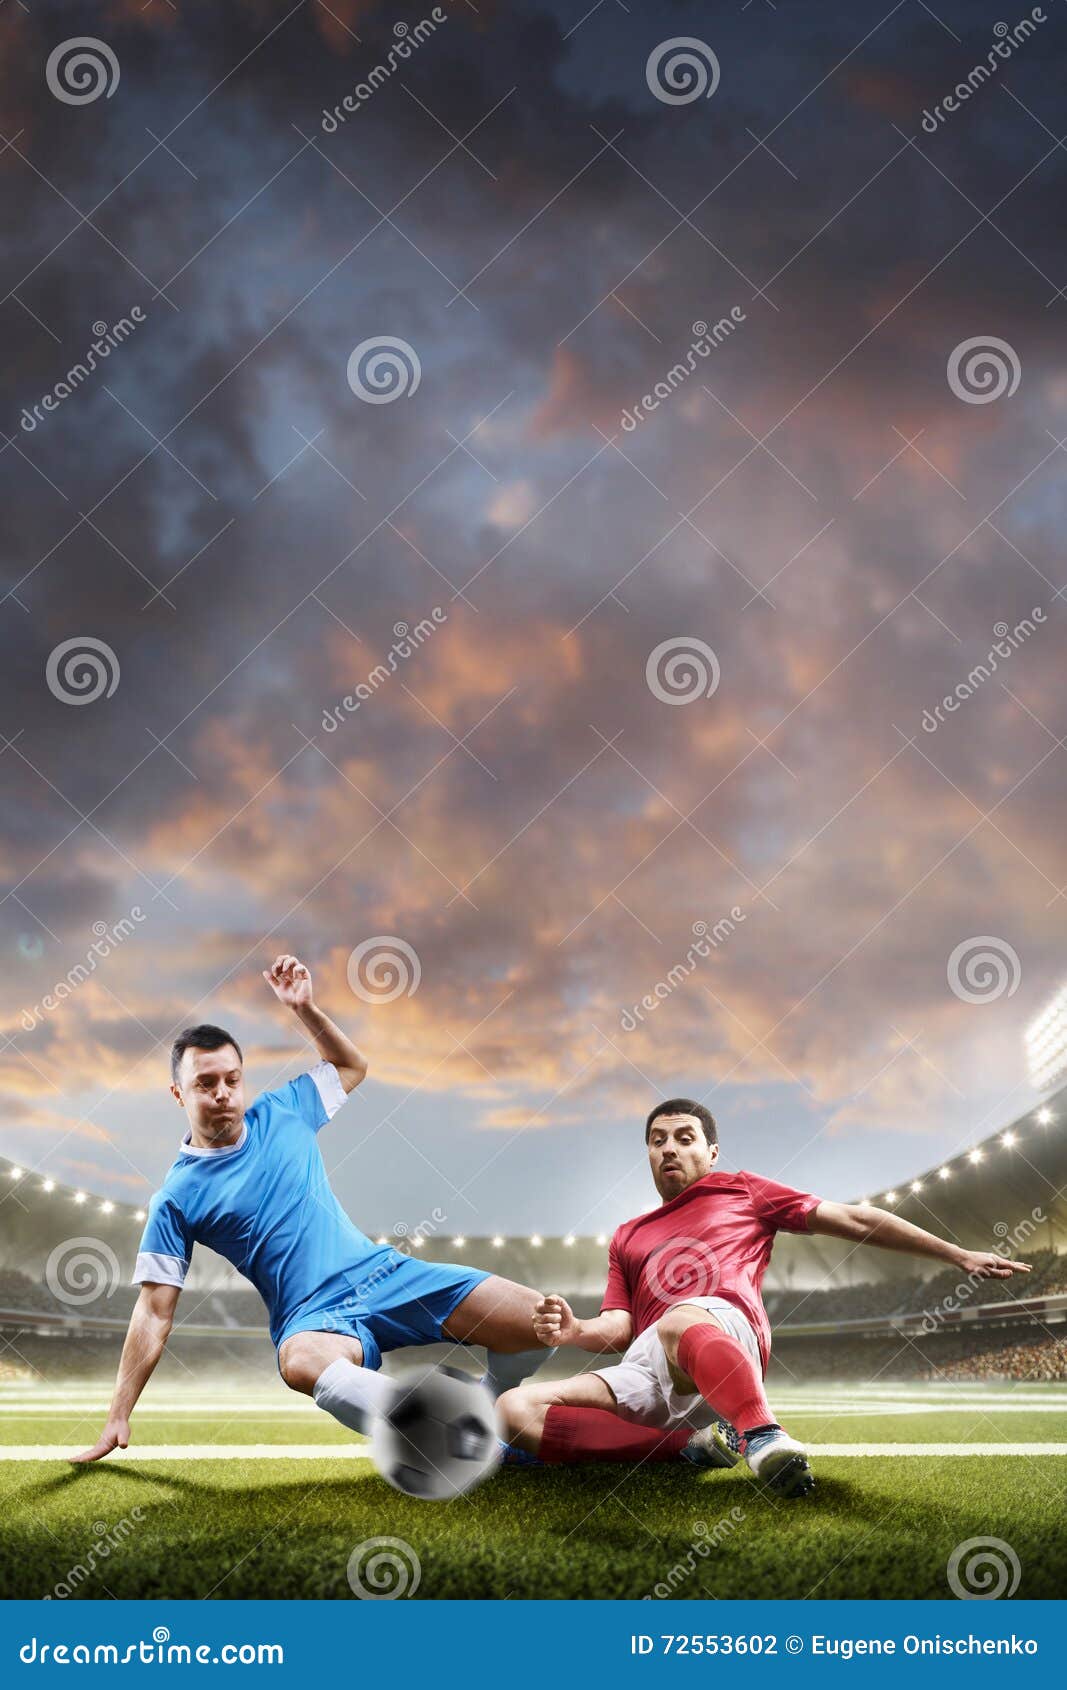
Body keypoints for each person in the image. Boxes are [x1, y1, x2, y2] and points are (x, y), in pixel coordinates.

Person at [72, 955, 551, 1463]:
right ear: (177, 1093)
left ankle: (482, 1400)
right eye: (205, 1084)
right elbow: (152, 1310)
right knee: (303, 1362)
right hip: (312, 1317)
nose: (222, 1094)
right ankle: (463, 1441)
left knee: (540, 1320)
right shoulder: (175, 1197)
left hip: (382, 1272)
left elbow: (351, 1066)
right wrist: (117, 1413)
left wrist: (304, 1009)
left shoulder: (283, 1109)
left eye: (232, 1080)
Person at [496, 1098, 1031, 1496]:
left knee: (681, 1319)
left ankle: (763, 1435)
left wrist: (957, 1255)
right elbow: (618, 1326)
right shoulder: (628, 1235)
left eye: (684, 1137)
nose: (669, 1149)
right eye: (658, 1141)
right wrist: (573, 1332)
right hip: (649, 1361)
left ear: (712, 1150)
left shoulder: (742, 1190)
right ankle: (692, 1447)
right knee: (515, 1409)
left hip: (722, 1333)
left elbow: (853, 1219)